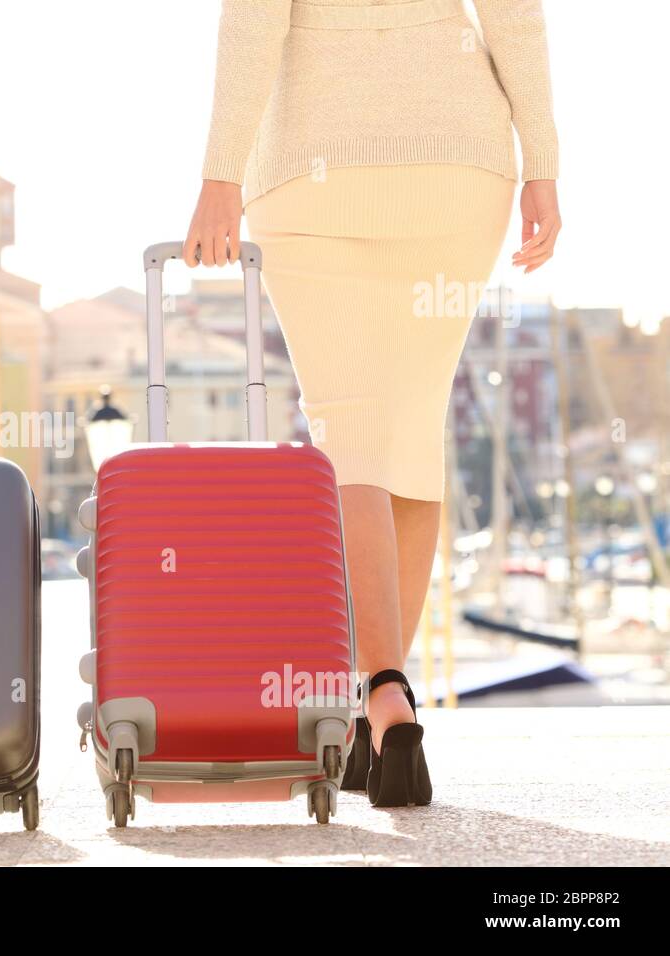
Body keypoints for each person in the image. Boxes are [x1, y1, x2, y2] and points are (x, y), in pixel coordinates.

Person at [184, 0, 560, 806]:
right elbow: (515, 17)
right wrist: (544, 169)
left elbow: (252, 22)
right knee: (411, 434)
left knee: (349, 430)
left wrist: (220, 175)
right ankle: (380, 712)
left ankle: (380, 691)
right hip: (459, 164)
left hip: (315, 167)